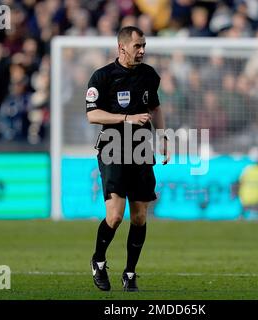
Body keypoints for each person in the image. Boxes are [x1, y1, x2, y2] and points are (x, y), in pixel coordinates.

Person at [85, 26, 170, 292]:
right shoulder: (103, 77)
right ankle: (98, 260)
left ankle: (130, 273)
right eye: (137, 46)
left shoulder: (148, 75)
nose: (142, 50)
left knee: (140, 217)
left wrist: (163, 136)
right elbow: (92, 115)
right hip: (113, 148)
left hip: (141, 149)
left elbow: (154, 107)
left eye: (144, 45)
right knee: (115, 217)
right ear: (122, 48)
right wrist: (126, 118)